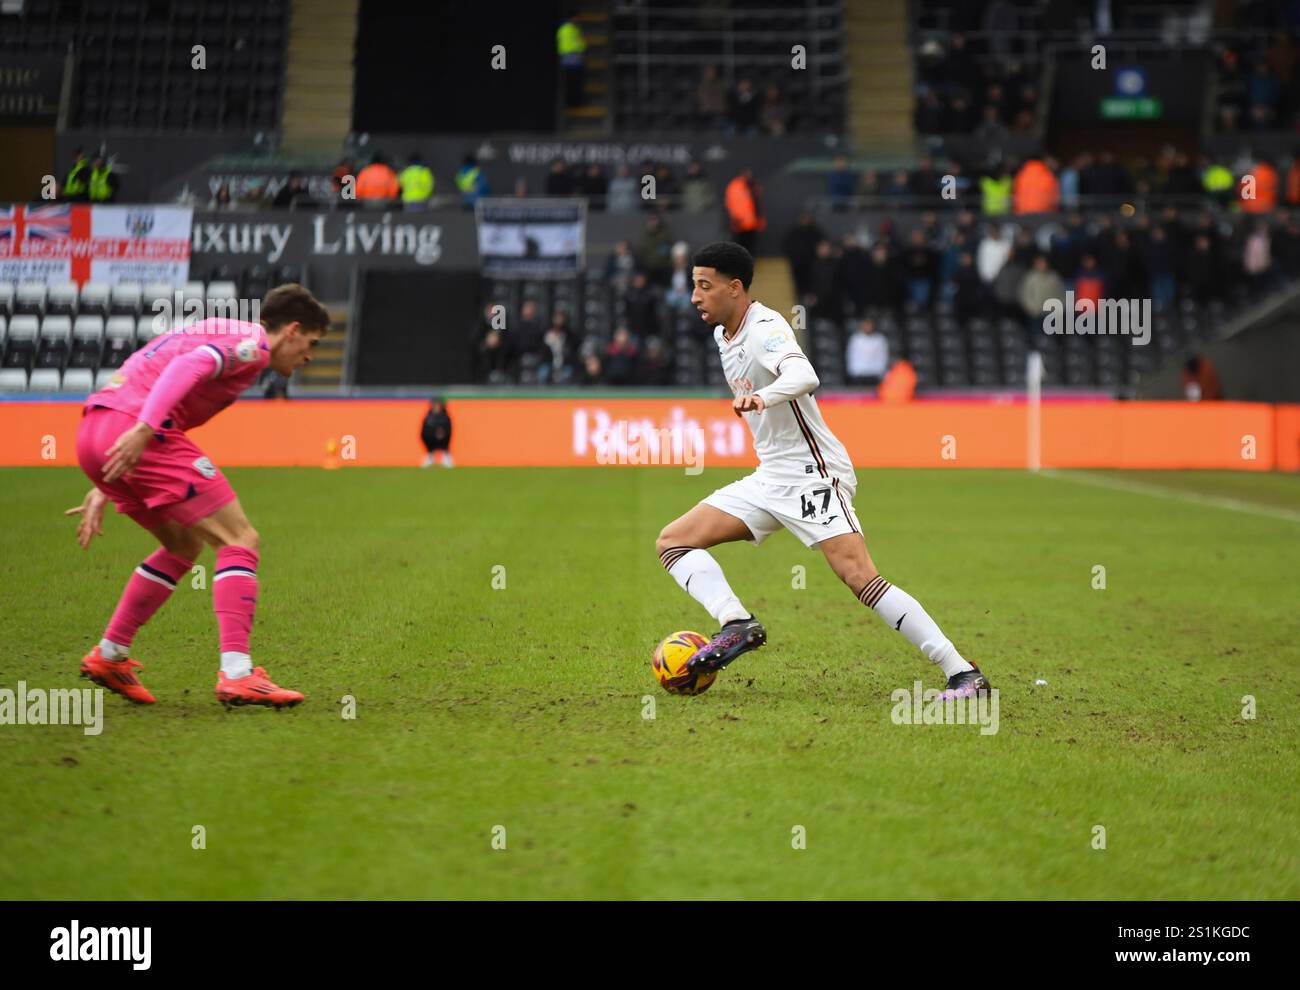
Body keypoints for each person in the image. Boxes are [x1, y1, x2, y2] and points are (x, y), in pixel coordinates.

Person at [655, 242, 991, 699]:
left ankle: (962, 674)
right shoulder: (722, 336)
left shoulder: (766, 327)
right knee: (674, 541)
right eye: (694, 285)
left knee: (859, 576)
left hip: (813, 473)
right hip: (770, 475)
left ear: (735, 289)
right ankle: (737, 624)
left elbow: (804, 375)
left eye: (704, 286)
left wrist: (763, 396)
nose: (694, 296)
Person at [65, 284, 329, 709]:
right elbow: (187, 367)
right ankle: (238, 673)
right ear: (293, 330)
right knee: (239, 539)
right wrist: (145, 429)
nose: (309, 356)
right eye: (311, 344)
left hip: (97, 430)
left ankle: (110, 654)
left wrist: (105, 481)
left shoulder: (218, 327)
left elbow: (152, 372)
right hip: (138, 430)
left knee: (183, 544)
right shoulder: (254, 345)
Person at [724, 168, 765, 255]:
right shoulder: (736, 186)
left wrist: (760, 221)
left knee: (750, 250)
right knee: (740, 249)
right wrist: (736, 219)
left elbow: (758, 205)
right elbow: (733, 204)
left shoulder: (753, 186)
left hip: (752, 224)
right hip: (740, 224)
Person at [845, 317, 889, 386]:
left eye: (869, 325)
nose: (867, 327)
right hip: (859, 374)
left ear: (873, 326)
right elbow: (851, 357)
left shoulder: (880, 340)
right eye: (866, 325)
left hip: (875, 374)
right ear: (861, 326)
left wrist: (881, 373)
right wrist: (853, 373)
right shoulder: (855, 339)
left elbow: (882, 358)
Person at [557, 15, 586, 108]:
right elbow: (576, 45)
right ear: (572, 18)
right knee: (574, 83)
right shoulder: (571, 29)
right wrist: (581, 48)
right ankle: (574, 103)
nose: (578, 20)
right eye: (576, 18)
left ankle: (572, 102)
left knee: (571, 83)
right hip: (572, 59)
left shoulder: (564, 29)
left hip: (568, 59)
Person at [420, 397, 454, 468]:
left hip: (443, 439)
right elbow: (424, 430)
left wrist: (442, 433)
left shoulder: (445, 417)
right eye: (434, 404)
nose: (436, 407)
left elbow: (449, 429)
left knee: (446, 437)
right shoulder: (428, 417)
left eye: (437, 404)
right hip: (431, 439)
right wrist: (433, 433)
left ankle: (446, 456)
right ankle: (430, 456)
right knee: (424, 435)